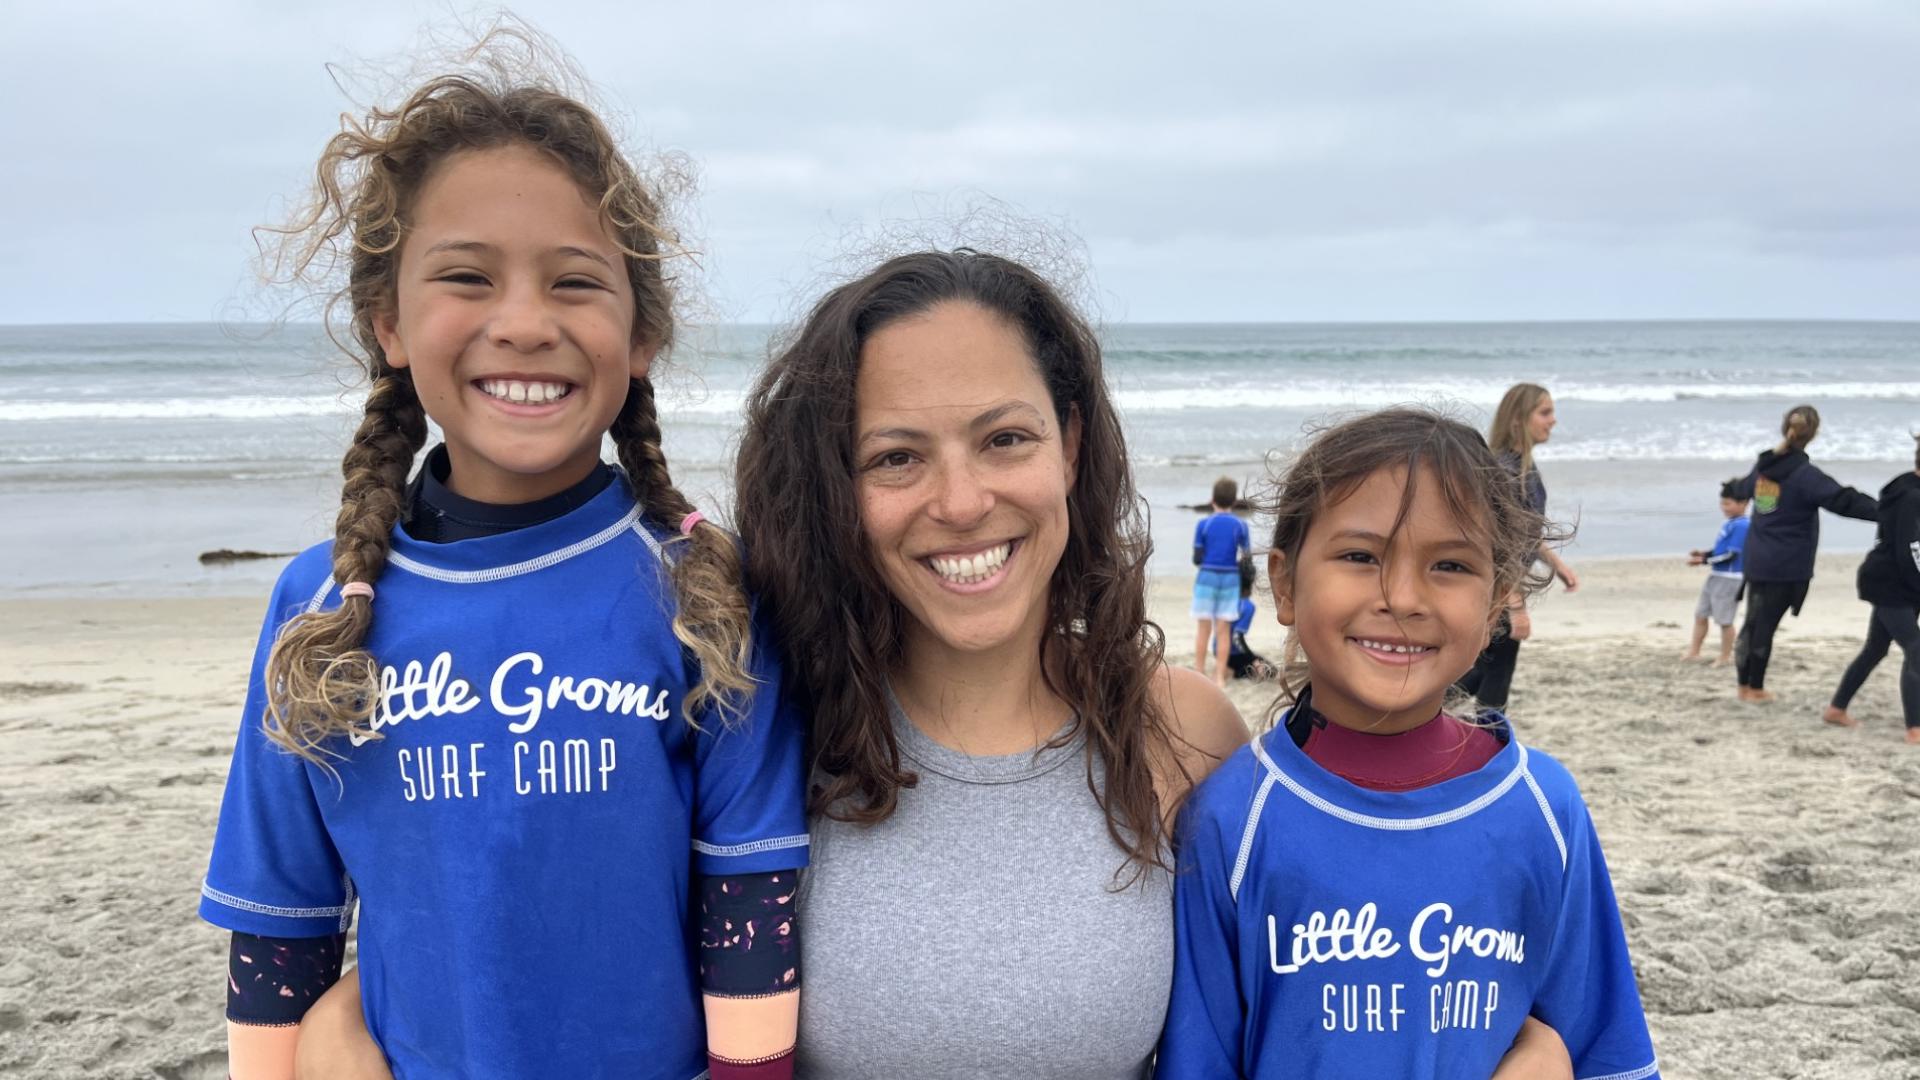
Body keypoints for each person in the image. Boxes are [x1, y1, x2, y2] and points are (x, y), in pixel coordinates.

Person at [730, 252, 1572, 1079]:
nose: (960, 502)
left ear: (1070, 443)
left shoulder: (1184, 734)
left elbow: (1321, 1008)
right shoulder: (770, 744)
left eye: (1005, 438)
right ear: (836, 484)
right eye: (896, 457)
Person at [197, 60, 808, 1080]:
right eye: (467, 276)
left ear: (641, 331)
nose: (525, 321)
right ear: (388, 322)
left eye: (574, 280)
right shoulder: (316, 608)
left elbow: (752, 916)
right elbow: (280, 933)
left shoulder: (707, 594)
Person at [1157, 408, 1657, 1080]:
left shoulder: (1543, 809)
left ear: (1496, 604)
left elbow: (1606, 1053)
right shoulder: (1232, 820)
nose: (1403, 596)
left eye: (1449, 565)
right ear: (1283, 582)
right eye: (1360, 557)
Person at [1728, 405, 1877, 704]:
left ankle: (1744, 685)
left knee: (1754, 623)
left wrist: (1730, 486)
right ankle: (1754, 688)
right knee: (1764, 626)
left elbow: (1740, 488)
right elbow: (1844, 501)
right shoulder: (1804, 475)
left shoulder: (1763, 469)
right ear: (1814, 434)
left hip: (1757, 559)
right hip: (1786, 565)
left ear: (1785, 429)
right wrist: (1888, 512)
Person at [1457, 384, 1576, 710]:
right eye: (1545, 412)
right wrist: (1516, 605)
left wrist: (1558, 566)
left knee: (1488, 667)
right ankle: (1488, 737)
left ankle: (1429, 718)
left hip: (1503, 587)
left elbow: (1526, 530)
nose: (1552, 421)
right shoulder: (1506, 472)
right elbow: (1497, 545)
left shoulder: (1524, 466)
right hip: (1496, 587)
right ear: (1517, 421)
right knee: (1492, 670)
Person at [1823, 435, 1920, 743]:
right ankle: (1915, 730)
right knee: (1916, 650)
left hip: (1898, 580)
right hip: (1891, 583)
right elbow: (1908, 550)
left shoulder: (1905, 487)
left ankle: (1836, 709)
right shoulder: (1910, 497)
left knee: (1876, 648)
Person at [1683, 479, 1751, 665]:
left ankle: (1725, 656)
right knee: (1701, 615)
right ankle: (1694, 651)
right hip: (1716, 576)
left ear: (1744, 503)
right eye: (1722, 503)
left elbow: (1731, 554)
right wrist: (1704, 554)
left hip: (1730, 579)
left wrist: (1704, 561)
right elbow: (1721, 550)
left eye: (1728, 503)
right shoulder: (1730, 523)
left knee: (1724, 620)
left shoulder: (1742, 526)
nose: (1724, 507)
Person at [1194, 477, 1254, 685]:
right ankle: (1219, 676)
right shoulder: (1241, 525)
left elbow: (1197, 558)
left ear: (1213, 499)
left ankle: (1199, 672)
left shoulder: (1204, 524)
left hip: (1207, 577)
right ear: (1234, 500)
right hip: (1230, 579)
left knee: (1203, 628)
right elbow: (1246, 557)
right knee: (1224, 630)